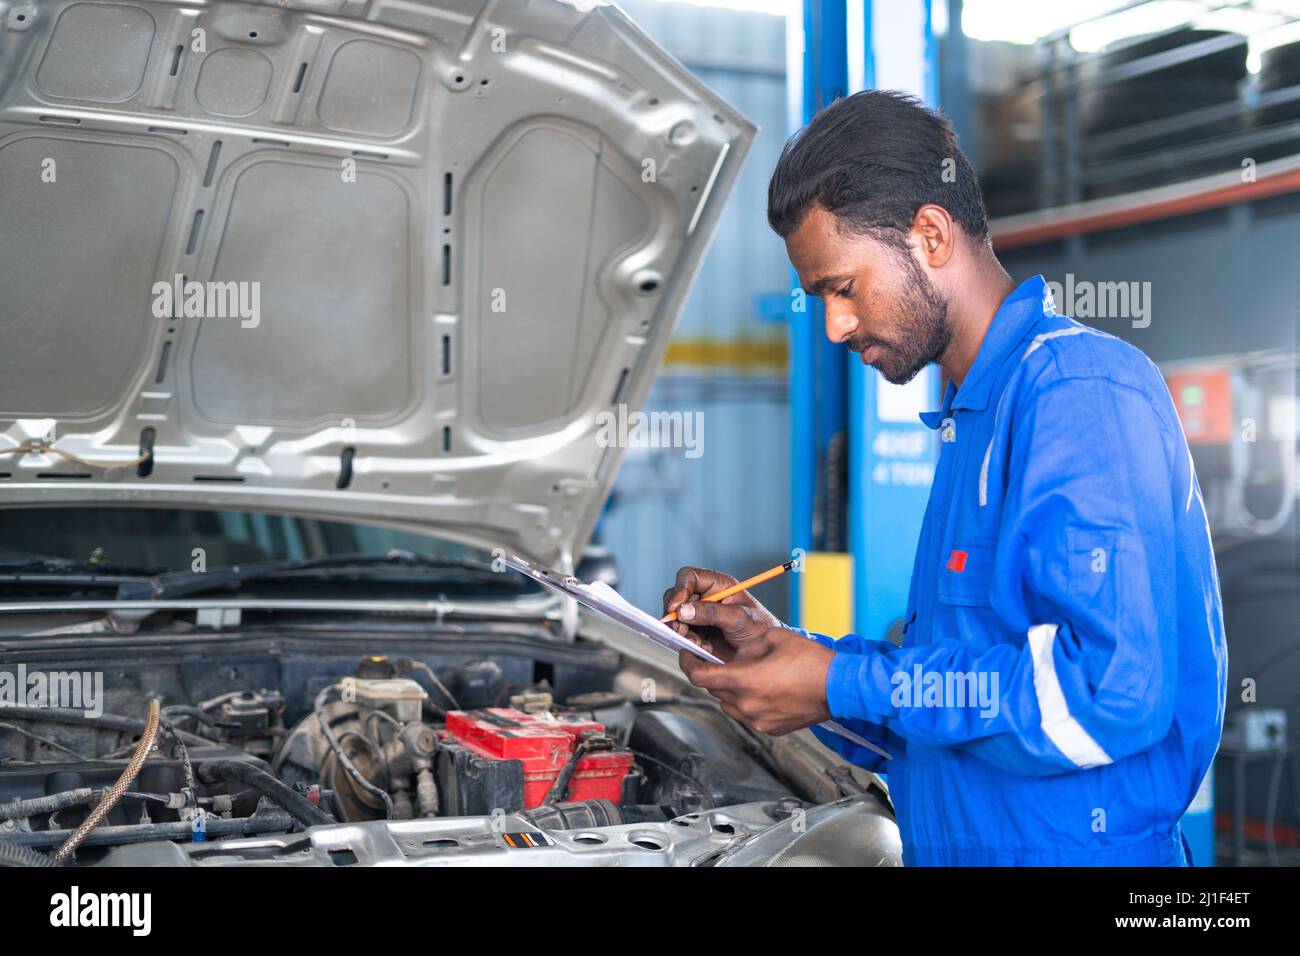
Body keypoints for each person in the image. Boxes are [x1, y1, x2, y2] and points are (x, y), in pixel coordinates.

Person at [663, 90, 1228, 866]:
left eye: (842, 286)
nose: (833, 325)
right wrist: (783, 652)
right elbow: (951, 711)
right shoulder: (975, 422)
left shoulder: (1079, 391)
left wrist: (841, 683)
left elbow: (1105, 695)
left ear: (930, 235)